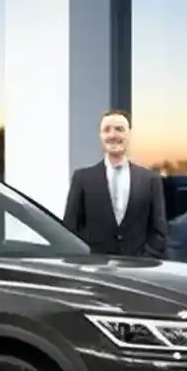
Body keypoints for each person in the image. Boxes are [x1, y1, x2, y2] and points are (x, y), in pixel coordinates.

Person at [62, 109, 168, 259]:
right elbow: (71, 228)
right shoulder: (82, 178)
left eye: (119, 129)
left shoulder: (150, 180)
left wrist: (144, 260)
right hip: (96, 270)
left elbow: (159, 231)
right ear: (100, 135)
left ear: (129, 134)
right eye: (107, 130)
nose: (112, 135)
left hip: (140, 270)